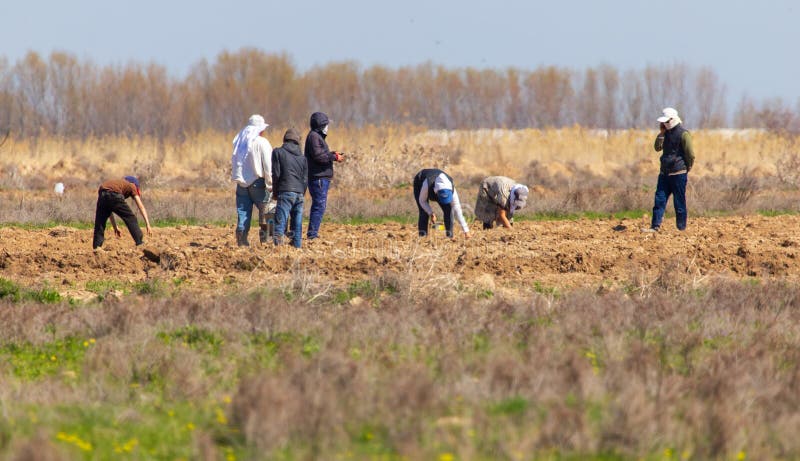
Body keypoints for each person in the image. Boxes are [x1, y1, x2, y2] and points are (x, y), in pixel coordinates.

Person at [643, 107, 695, 232]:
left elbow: (690, 154)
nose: (664, 124)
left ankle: (681, 228)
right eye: (663, 122)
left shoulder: (684, 134)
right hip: (664, 174)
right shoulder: (664, 133)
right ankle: (655, 226)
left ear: (672, 120)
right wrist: (661, 133)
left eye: (666, 122)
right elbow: (657, 148)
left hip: (678, 174)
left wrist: (688, 167)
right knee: (659, 200)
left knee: (679, 202)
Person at [231, 114, 273, 246]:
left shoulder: (239, 141)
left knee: (243, 213)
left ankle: (242, 241)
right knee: (268, 212)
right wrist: (271, 183)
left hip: (241, 184)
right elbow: (268, 165)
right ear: (260, 129)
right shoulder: (262, 142)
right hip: (258, 183)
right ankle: (267, 242)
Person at [304, 111, 344, 240]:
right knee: (319, 205)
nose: (328, 127)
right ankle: (312, 234)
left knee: (320, 205)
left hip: (320, 177)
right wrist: (334, 157)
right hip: (318, 178)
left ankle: (313, 233)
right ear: (321, 125)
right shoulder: (314, 137)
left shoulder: (316, 137)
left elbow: (320, 154)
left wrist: (332, 153)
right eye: (326, 125)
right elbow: (319, 156)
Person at [92, 176, 152, 249]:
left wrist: (115, 227)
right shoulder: (132, 185)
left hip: (102, 192)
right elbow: (141, 206)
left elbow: (109, 210)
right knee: (130, 218)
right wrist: (147, 224)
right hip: (114, 194)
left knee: (100, 224)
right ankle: (140, 242)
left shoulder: (117, 183)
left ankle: (96, 248)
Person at [271, 128, 307, 248]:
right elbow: (305, 179)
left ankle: (278, 248)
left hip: (285, 191)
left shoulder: (278, 152)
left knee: (280, 221)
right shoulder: (303, 158)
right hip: (299, 193)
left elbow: (276, 174)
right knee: (297, 223)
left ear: (285, 139)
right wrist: (302, 192)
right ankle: (297, 247)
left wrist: (275, 192)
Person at [412, 168, 471, 240]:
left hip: (437, 187)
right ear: (436, 192)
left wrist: (466, 231)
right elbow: (422, 201)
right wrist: (431, 213)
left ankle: (449, 236)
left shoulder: (451, 189)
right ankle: (423, 237)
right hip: (420, 181)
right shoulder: (427, 185)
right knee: (424, 212)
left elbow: (457, 210)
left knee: (449, 210)